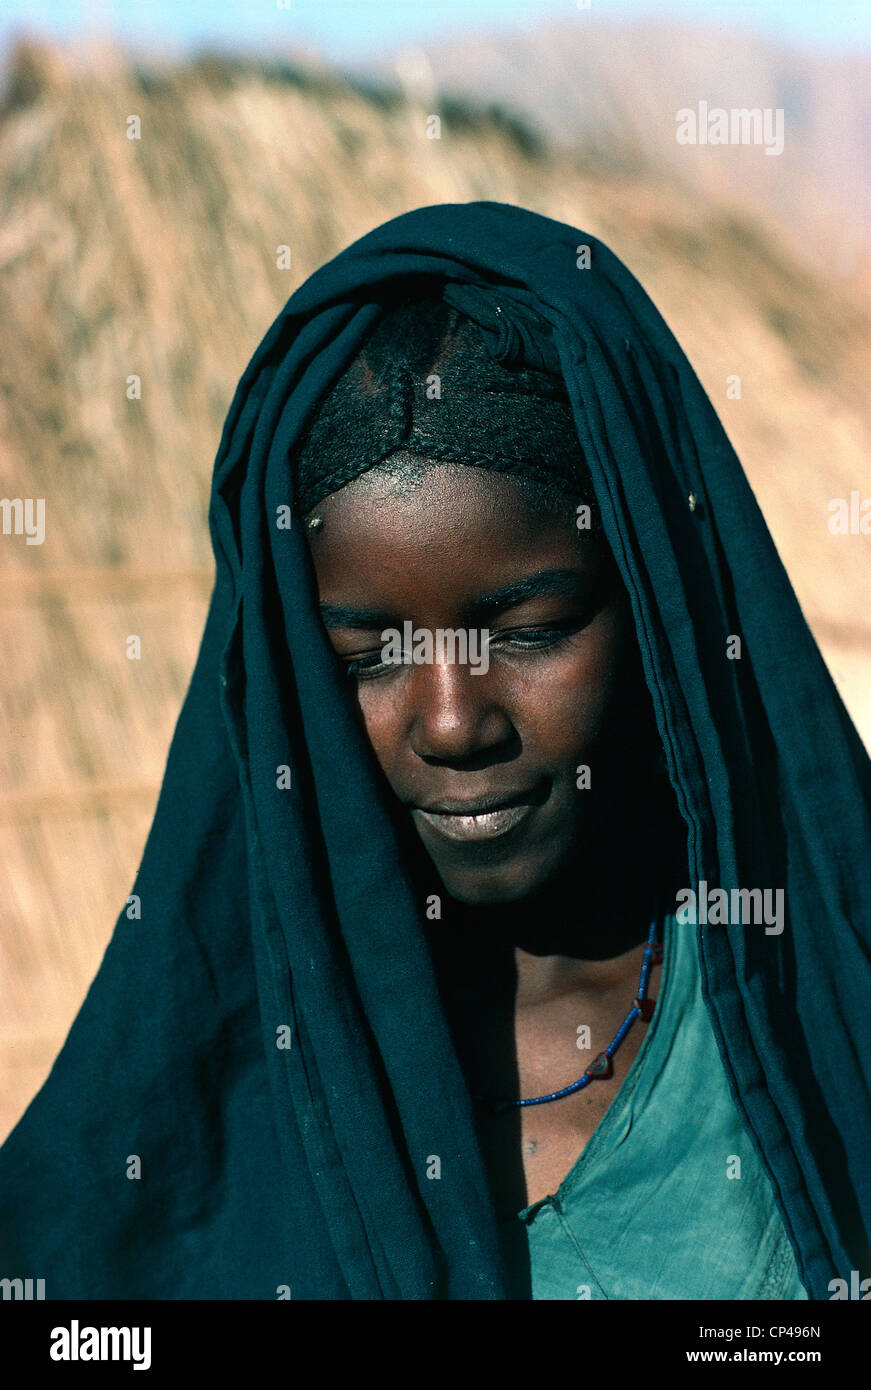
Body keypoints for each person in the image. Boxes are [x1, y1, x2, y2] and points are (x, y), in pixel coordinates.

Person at [0, 201, 868, 1300]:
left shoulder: (809, 988)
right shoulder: (211, 1105)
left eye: (530, 631)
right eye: (369, 655)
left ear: (657, 607)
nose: (454, 722)